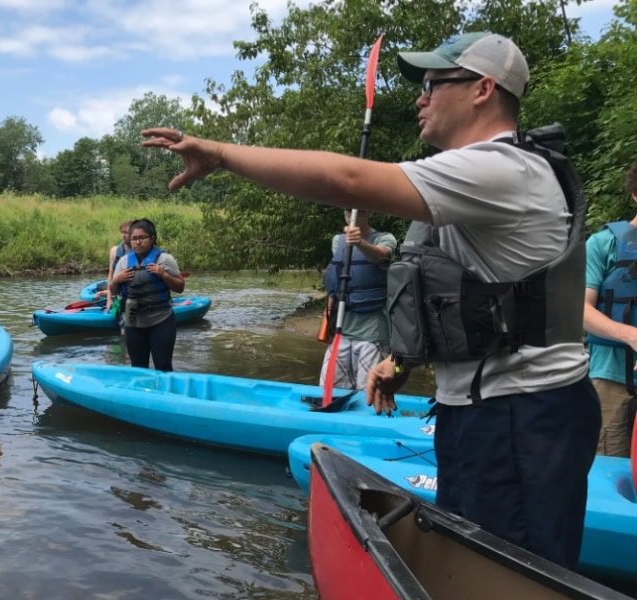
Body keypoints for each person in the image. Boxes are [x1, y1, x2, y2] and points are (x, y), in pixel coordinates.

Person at [142, 32, 599, 570]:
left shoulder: (499, 168)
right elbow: (476, 299)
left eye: (432, 83)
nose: (419, 98)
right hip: (493, 410)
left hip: (518, 415)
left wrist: (219, 153)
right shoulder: (481, 179)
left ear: (483, 88)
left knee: (506, 576)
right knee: (478, 568)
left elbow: (348, 178)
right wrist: (403, 358)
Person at [583, 161, 637, 457]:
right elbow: (581, 311)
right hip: (610, 377)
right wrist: (632, 336)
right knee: (607, 461)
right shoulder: (603, 244)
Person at [320, 210, 396, 391]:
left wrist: (360, 243)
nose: (350, 214)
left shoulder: (385, 238)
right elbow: (337, 284)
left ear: (369, 213)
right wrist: (327, 321)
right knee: (328, 389)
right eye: (346, 210)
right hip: (341, 331)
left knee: (368, 391)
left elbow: (381, 255)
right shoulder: (338, 241)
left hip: (373, 334)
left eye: (358, 211)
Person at [108, 218, 185, 371]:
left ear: (152, 239)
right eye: (134, 238)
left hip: (161, 321)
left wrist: (163, 274)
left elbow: (180, 287)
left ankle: (164, 394)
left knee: (163, 366)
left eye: (142, 238)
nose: (137, 242)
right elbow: (113, 290)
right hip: (134, 323)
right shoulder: (123, 262)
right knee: (138, 368)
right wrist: (117, 279)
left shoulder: (165, 259)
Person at [100, 219, 135, 312]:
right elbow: (111, 275)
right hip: (117, 288)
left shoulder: (139, 251)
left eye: (126, 232)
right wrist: (109, 299)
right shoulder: (114, 251)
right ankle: (105, 293)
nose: (123, 235)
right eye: (122, 232)